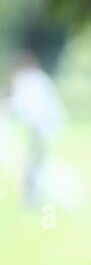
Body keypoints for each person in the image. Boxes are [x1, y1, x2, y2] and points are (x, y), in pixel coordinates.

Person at [3, 49, 67, 209]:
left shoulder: (29, 80)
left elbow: (23, 107)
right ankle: (31, 198)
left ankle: (33, 200)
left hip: (42, 128)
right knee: (34, 164)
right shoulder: (36, 79)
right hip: (44, 128)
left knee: (33, 165)